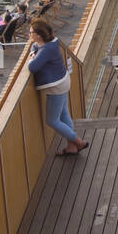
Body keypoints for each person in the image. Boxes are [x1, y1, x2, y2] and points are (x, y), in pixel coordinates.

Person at [27, 18, 88, 154]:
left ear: (38, 35)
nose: (29, 34)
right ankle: (72, 147)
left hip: (57, 87)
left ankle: (78, 141)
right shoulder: (49, 42)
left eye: (31, 32)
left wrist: (31, 57)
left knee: (52, 120)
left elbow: (33, 66)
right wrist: (33, 51)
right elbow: (35, 47)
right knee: (64, 115)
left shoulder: (46, 49)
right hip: (63, 81)